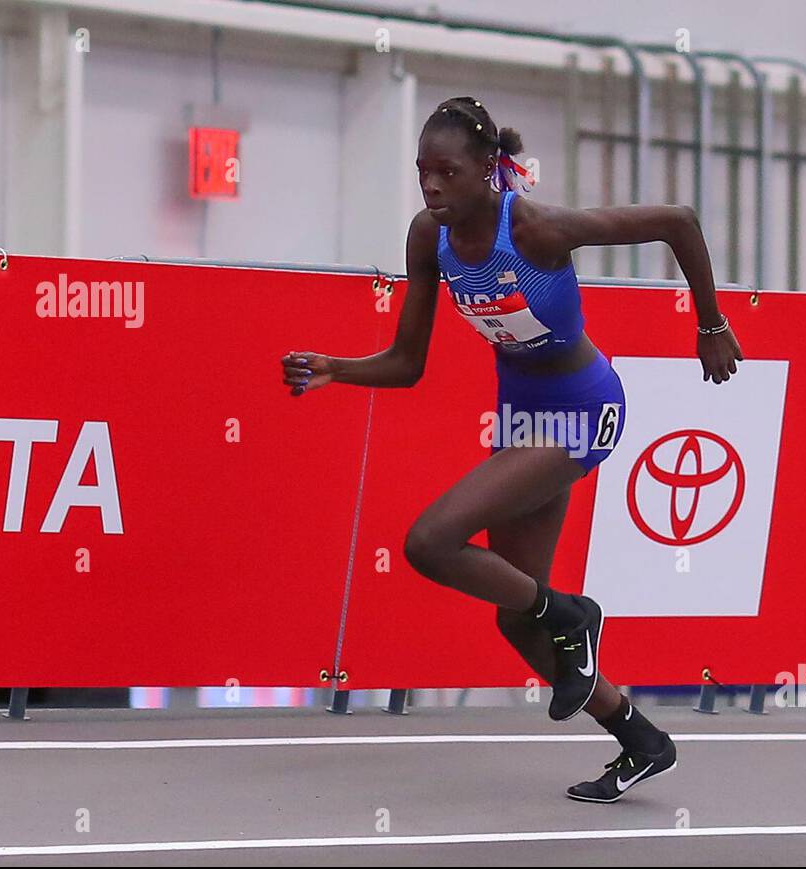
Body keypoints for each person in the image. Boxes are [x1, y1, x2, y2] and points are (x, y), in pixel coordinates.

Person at [282, 95, 741, 803]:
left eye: (447, 172)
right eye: (422, 172)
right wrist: (340, 368)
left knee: (430, 541)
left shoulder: (532, 228)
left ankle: (573, 616)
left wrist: (709, 324)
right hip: (522, 418)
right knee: (514, 616)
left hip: (584, 409)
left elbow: (677, 222)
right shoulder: (426, 238)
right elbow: (409, 364)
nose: (432, 186)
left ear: (487, 171)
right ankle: (639, 739)